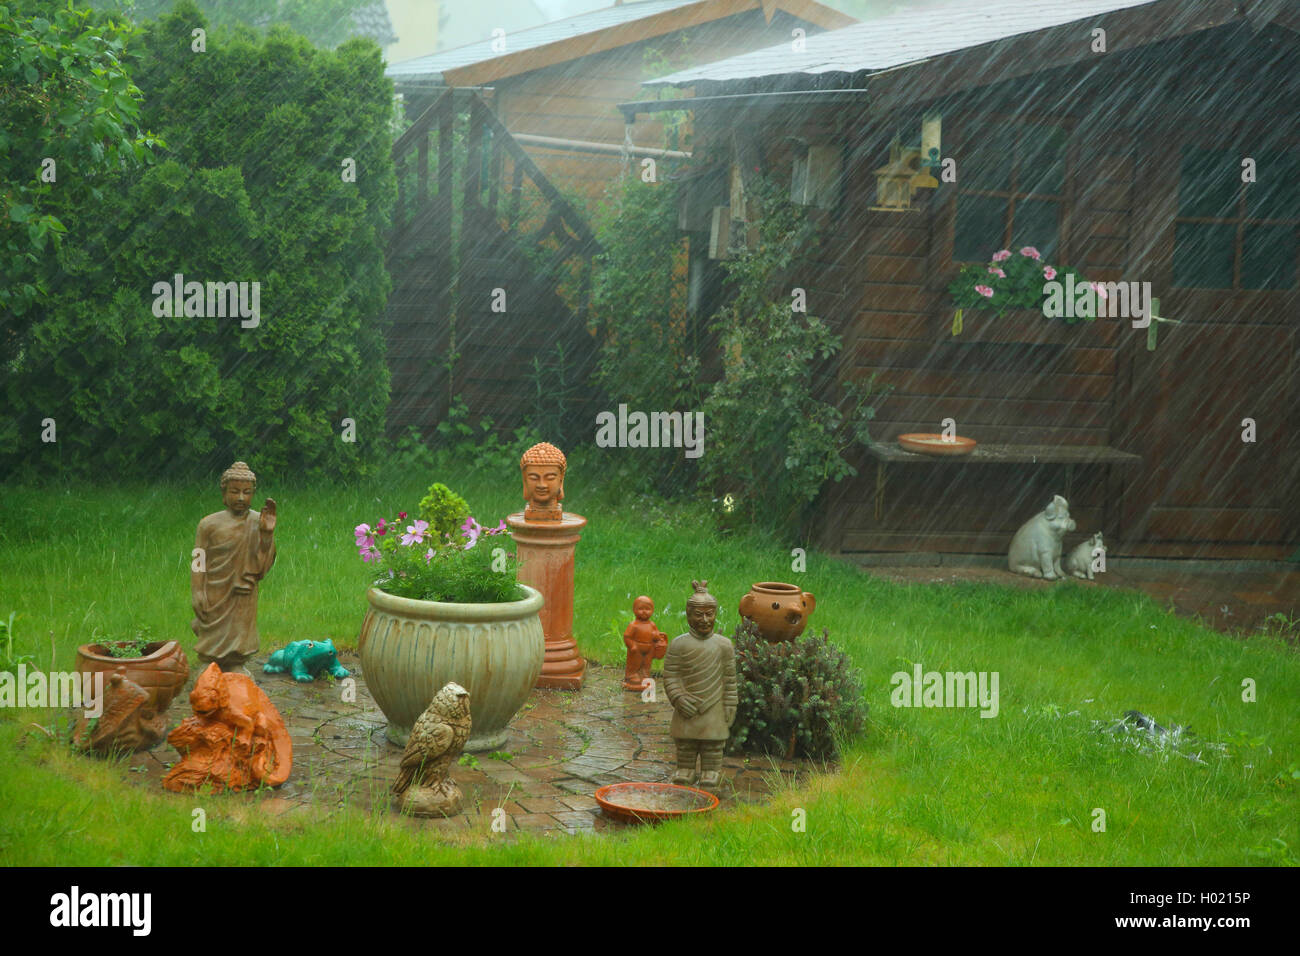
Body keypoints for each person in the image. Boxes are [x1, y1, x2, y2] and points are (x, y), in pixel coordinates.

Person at [191, 461, 276, 675]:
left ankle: (236, 662)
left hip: (243, 590)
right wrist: (198, 590)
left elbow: (264, 562)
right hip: (215, 589)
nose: (240, 497)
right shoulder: (208, 524)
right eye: (234, 491)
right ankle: (210, 662)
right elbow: (198, 559)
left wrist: (266, 534)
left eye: (247, 492)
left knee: (240, 629)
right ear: (224, 492)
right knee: (210, 626)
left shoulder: (258, 521)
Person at [662, 580, 737, 788]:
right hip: (687, 706)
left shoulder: (724, 646)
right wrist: (678, 697)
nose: (705, 620)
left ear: (715, 614)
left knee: (712, 745)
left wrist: (731, 704)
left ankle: (710, 771)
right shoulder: (679, 644)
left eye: (709, 614)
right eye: (698, 614)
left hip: (714, 706)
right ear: (688, 615)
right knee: (685, 744)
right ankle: (685, 769)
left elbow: (730, 679)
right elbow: (670, 676)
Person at [622, 595, 666, 691]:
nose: (644, 611)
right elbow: (627, 636)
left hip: (649, 648)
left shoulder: (651, 624)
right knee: (635, 663)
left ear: (652, 610)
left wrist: (656, 635)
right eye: (641, 609)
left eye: (647, 609)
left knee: (646, 663)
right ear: (634, 610)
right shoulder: (634, 625)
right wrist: (632, 645)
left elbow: (656, 633)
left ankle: (645, 675)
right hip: (637, 649)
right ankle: (632, 676)